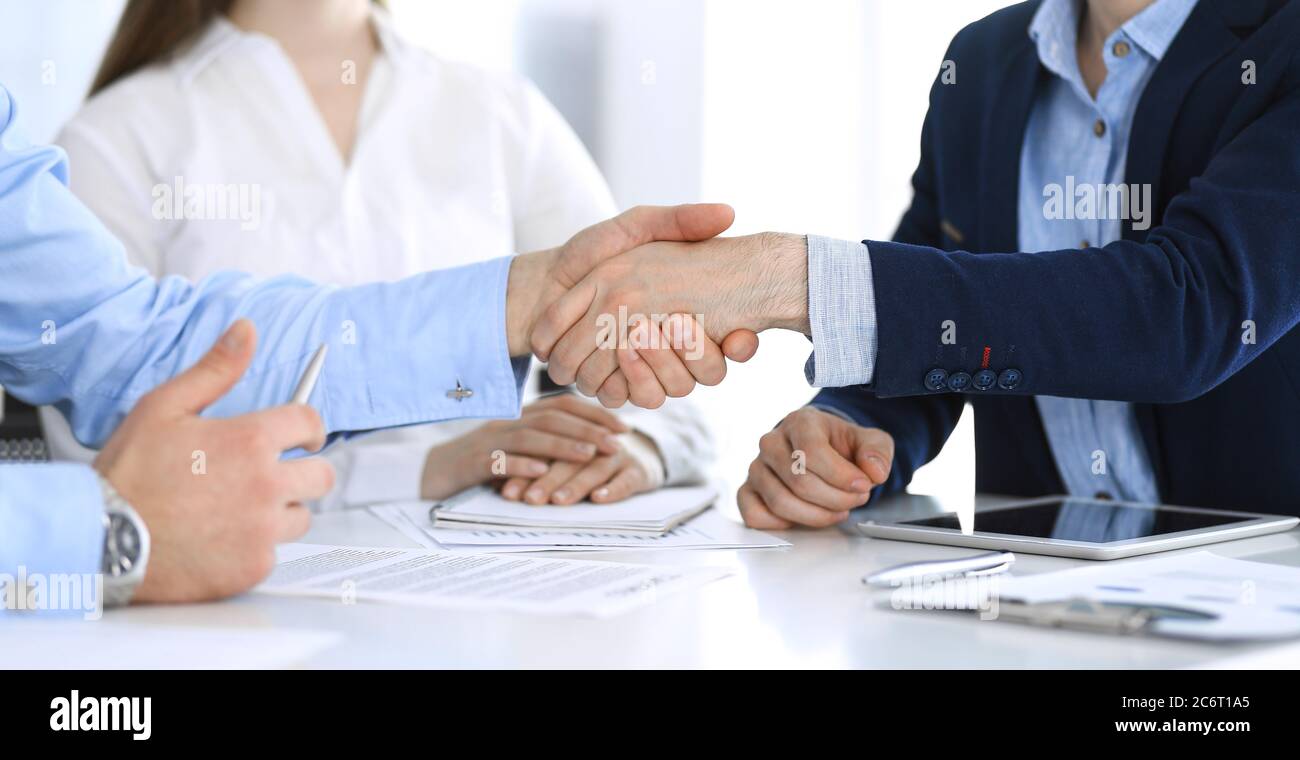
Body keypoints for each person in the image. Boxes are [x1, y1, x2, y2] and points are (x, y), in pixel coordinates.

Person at [534, 0, 1300, 526]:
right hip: (1036, 614)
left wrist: (777, 276)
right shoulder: (984, 61)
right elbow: (938, 309)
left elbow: (1188, 314)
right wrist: (846, 427)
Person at [0, 78, 751, 608]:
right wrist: (92, 534)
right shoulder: (125, 128)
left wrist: (532, 299)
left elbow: (121, 342)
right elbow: (130, 464)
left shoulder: (502, 111)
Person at [44, 0, 717, 509]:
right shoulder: (115, 137)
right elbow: (97, 457)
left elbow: (661, 381)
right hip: (237, 609)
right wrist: (424, 468)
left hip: (497, 589)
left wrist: (626, 448)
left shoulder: (501, 112)